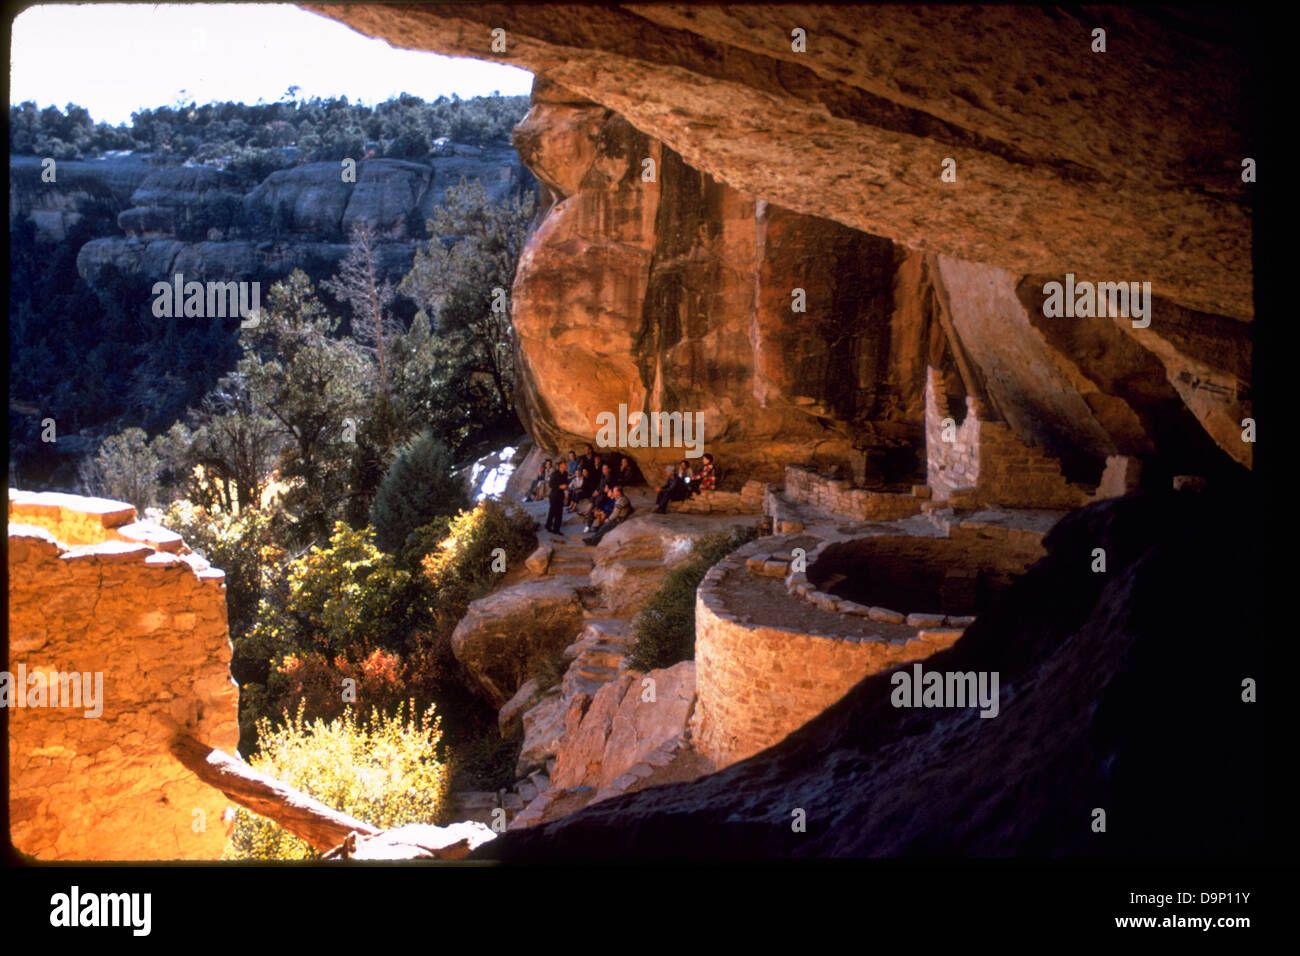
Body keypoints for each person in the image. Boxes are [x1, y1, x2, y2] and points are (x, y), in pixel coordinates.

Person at [545, 461, 569, 534]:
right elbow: (550, 485)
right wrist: (559, 486)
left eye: (565, 464)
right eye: (563, 464)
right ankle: (548, 526)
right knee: (552, 511)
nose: (565, 465)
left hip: (561, 495)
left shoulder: (565, 473)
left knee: (559, 512)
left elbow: (566, 483)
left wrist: (566, 492)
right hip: (554, 495)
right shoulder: (555, 473)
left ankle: (556, 529)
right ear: (560, 465)